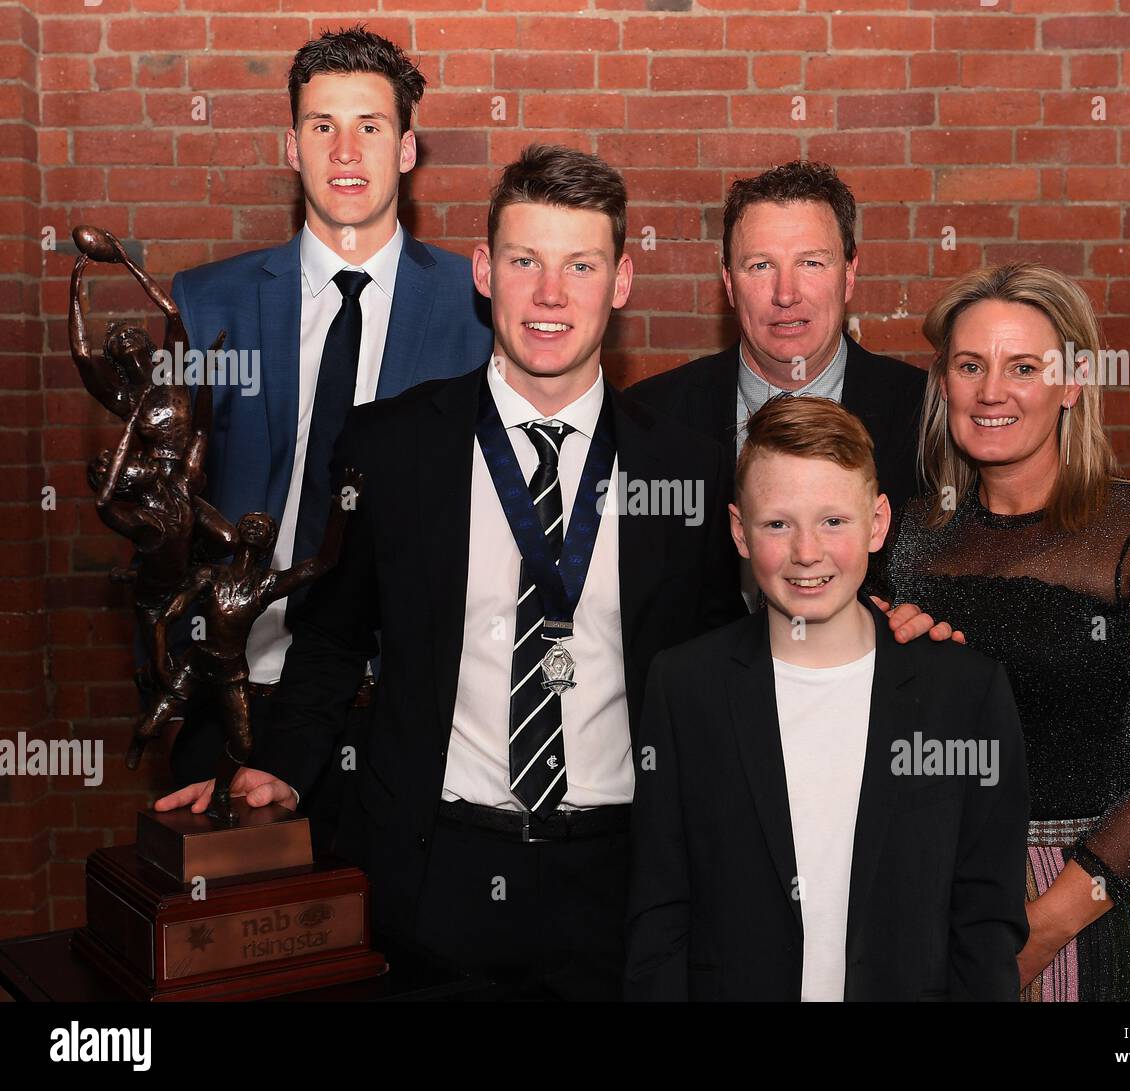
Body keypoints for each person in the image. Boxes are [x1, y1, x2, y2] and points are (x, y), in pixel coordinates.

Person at [156, 144, 747, 1000]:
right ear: (484, 272)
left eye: (580, 265)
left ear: (620, 281)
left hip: (624, 889)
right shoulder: (393, 446)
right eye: (525, 262)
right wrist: (280, 767)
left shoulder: (687, 467)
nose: (551, 295)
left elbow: (721, 664)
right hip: (434, 880)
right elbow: (331, 635)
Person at [163, 27, 492, 842]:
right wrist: (179, 684)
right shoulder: (210, 306)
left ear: (408, 148)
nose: (346, 149)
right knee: (231, 953)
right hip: (237, 694)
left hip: (408, 709)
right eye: (321, 125)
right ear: (291, 145)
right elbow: (162, 523)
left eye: (370, 126)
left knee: (393, 953)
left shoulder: (478, 309)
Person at [886, 261, 1130, 1002]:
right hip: (921, 885)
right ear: (944, 381)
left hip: (1078, 895)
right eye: (970, 365)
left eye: (1023, 366)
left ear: (1072, 383)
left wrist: (1040, 928)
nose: (992, 390)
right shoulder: (911, 533)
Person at [625, 395, 1029, 1001]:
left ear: (878, 523)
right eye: (777, 523)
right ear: (739, 531)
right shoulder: (685, 688)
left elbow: (986, 922)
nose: (807, 552)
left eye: (834, 521)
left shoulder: (964, 694)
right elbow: (660, 912)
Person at [626, 160, 926, 602]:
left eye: (811, 262)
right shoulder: (647, 418)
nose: (786, 294)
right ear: (729, 282)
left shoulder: (928, 414)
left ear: (849, 274)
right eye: (761, 265)